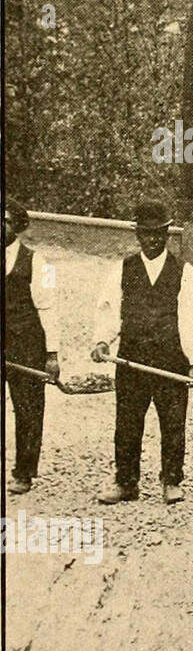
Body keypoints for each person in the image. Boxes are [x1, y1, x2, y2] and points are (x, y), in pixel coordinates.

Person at [92, 201, 193, 505]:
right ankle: (126, 482)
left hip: (171, 360)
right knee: (127, 422)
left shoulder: (185, 272)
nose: (153, 239)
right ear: (137, 234)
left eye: (159, 233)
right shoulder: (121, 269)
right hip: (131, 357)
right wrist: (102, 341)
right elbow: (108, 310)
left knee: (173, 422)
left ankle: (171, 480)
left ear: (168, 233)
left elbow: (190, 319)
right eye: (146, 233)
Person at [4, 200, 60, 495]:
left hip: (26, 345)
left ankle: (23, 473)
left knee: (28, 410)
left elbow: (49, 308)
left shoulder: (39, 263)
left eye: (6, 221)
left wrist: (52, 355)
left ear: (18, 225)